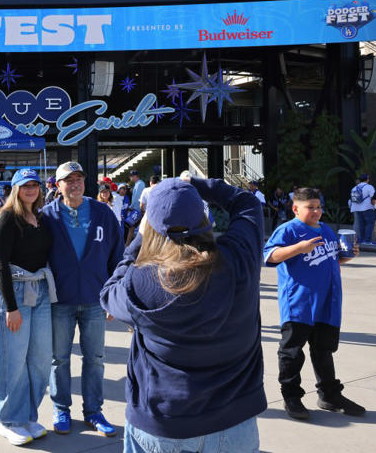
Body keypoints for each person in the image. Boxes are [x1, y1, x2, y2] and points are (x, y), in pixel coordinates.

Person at [101, 176, 267, 452]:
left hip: (163, 423)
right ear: (205, 220)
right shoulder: (239, 257)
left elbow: (108, 294)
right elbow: (247, 202)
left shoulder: (140, 280)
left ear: (152, 226)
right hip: (234, 420)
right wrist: (195, 184)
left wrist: (139, 240)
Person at [264, 187, 365, 419]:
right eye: (311, 207)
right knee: (292, 351)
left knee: (324, 350)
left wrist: (350, 255)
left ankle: (329, 395)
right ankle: (291, 397)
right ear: (296, 208)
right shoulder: (288, 230)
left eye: (319, 207)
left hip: (327, 304)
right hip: (299, 303)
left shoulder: (327, 230)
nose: (317, 211)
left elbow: (332, 260)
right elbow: (269, 256)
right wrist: (299, 248)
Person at [41, 161, 124, 437]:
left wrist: (113, 297)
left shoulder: (103, 213)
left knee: (95, 359)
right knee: (58, 359)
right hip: (59, 301)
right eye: (68, 180)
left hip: (94, 300)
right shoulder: (47, 217)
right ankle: (61, 409)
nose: (74, 184)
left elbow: (118, 257)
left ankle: (93, 411)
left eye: (79, 179)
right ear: (58, 185)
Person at [0, 169, 55, 445]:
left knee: (39, 359)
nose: (31, 189)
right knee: (11, 359)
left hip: (41, 290)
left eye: (35, 184)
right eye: (25, 186)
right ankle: (10, 420)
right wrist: (11, 307)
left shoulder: (43, 218)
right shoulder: (6, 218)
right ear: (15, 189)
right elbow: (0, 264)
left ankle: (28, 416)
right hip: (14, 292)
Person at [349, 174, 376, 245]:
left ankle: (362, 240)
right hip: (367, 208)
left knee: (361, 224)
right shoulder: (369, 187)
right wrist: (375, 207)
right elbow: (373, 197)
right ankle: (367, 241)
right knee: (369, 224)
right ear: (367, 179)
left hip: (357, 209)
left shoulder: (354, 188)